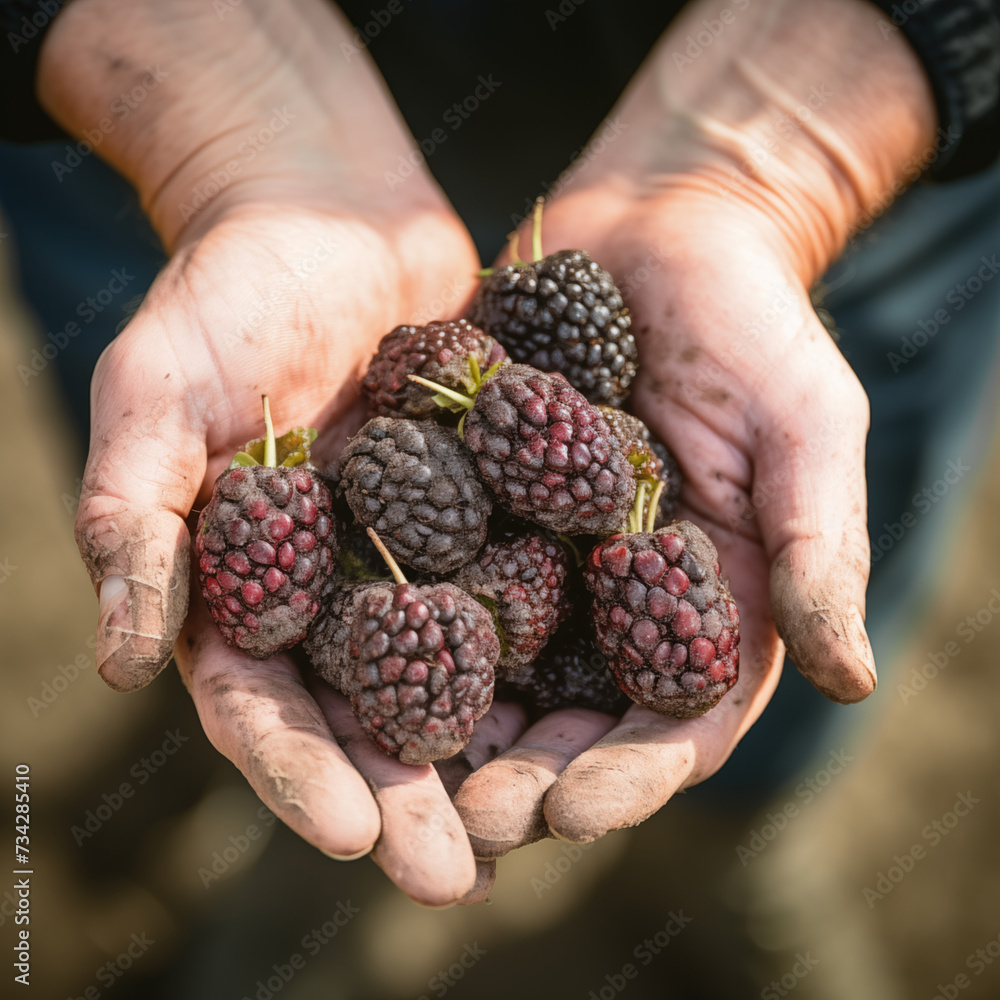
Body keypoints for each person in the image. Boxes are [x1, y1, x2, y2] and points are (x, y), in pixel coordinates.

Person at [2, 0, 999, 909]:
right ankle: (238, 810)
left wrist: (759, 174)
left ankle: (722, 855)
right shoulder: (441, 487)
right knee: (178, 502)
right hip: (186, 91)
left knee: (823, 514)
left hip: (835, 108)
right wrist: (221, 148)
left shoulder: (564, 486)